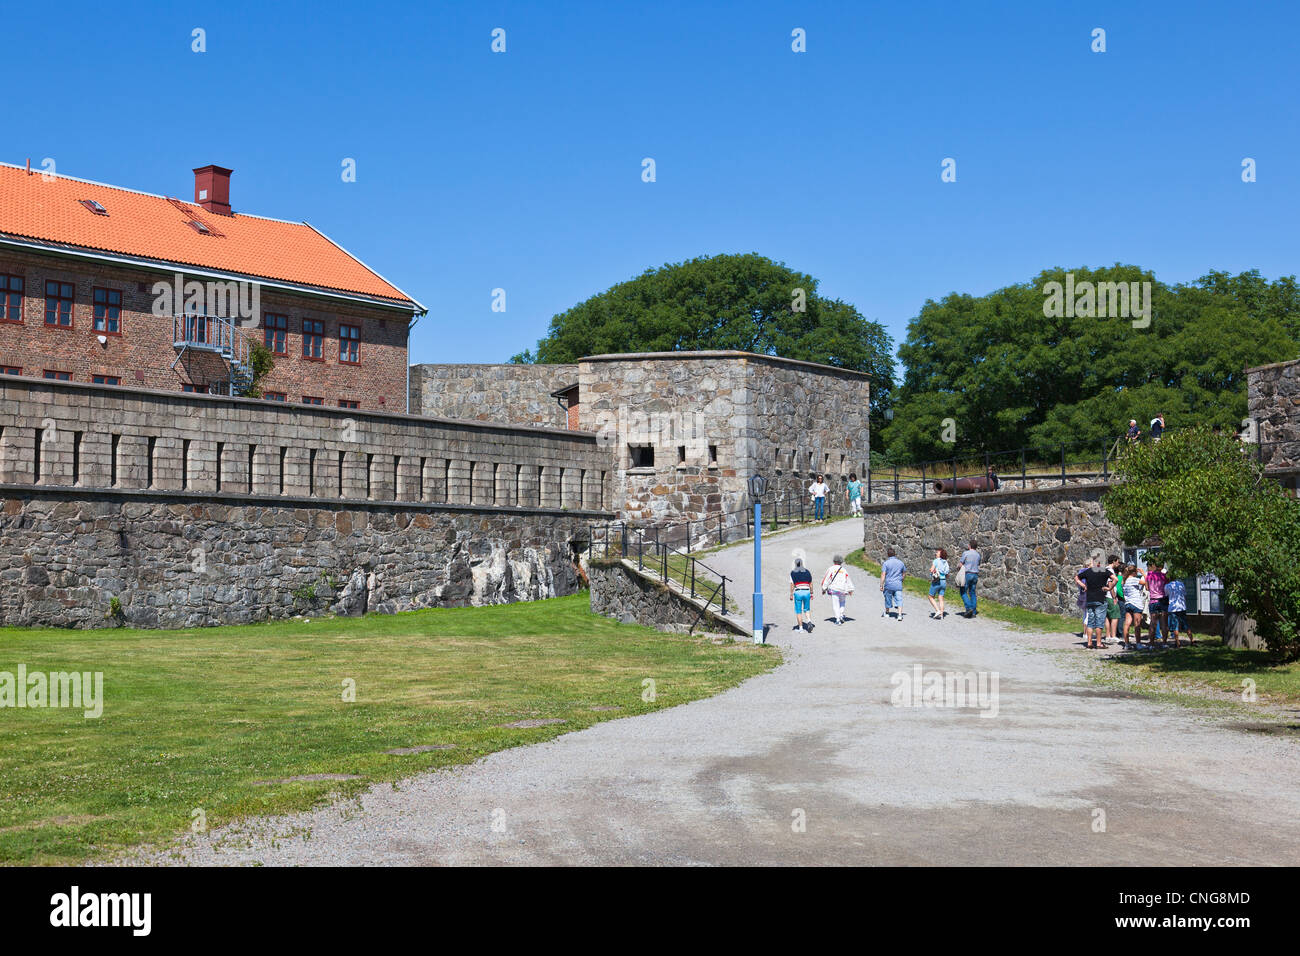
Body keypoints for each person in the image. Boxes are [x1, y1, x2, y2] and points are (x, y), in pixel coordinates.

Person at [1075, 556, 1116, 650]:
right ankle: (1098, 643)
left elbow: (1076, 578)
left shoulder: (1088, 571)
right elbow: (1115, 579)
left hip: (1089, 599)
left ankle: (1089, 643)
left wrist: (1084, 586)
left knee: (1090, 622)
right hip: (1100, 599)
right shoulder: (1104, 571)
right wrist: (1109, 588)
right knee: (1099, 622)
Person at [821, 555, 855, 625]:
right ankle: (841, 614)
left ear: (834, 561)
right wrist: (850, 589)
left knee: (835, 604)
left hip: (834, 589)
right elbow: (848, 579)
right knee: (842, 602)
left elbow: (826, 579)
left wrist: (824, 588)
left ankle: (837, 619)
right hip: (843, 589)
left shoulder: (831, 569)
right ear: (841, 562)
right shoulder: (844, 570)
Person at [1144, 559, 1169, 646]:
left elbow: (1147, 588)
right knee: (1164, 623)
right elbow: (1167, 587)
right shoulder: (1164, 576)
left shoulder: (1149, 575)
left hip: (1153, 600)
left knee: (1153, 623)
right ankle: (1164, 643)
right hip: (1162, 600)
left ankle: (1151, 644)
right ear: (1162, 567)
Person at [1120, 563, 1146, 647]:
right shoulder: (1134, 579)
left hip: (1128, 603)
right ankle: (1138, 644)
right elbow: (1145, 582)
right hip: (1136, 603)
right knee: (1137, 624)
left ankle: (1126, 643)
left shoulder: (1124, 581)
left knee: (1127, 624)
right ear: (1134, 573)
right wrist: (1143, 573)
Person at [789, 557, 815, 633]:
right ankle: (809, 621)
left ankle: (801, 628)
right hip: (807, 592)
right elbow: (811, 583)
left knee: (798, 611)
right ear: (802, 563)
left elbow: (792, 584)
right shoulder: (807, 572)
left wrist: (791, 594)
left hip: (798, 592)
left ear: (795, 564)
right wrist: (811, 592)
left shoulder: (793, 572)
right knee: (807, 609)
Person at [880, 547, 906, 620]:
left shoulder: (886, 563)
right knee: (899, 599)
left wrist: (881, 585)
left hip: (889, 584)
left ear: (888, 555)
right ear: (895, 554)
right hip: (898, 584)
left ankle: (887, 613)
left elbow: (883, 574)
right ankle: (900, 614)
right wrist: (902, 579)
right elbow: (904, 572)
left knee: (888, 598)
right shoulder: (901, 563)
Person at [958, 541, 981, 617]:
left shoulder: (966, 553)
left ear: (969, 546)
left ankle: (969, 608)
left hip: (967, 574)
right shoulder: (978, 555)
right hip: (975, 575)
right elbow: (978, 564)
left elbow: (960, 564)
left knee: (963, 591)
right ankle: (974, 612)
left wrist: (958, 567)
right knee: (972, 593)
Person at [1166, 573, 1190, 647]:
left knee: (1175, 626)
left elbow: (1166, 595)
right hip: (1182, 606)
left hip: (1172, 608)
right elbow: (1184, 593)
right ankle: (1192, 640)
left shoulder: (1167, 586)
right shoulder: (1181, 584)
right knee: (1186, 624)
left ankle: (1177, 642)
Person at [1105, 555, 1124, 644]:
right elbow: (1110, 584)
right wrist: (1114, 597)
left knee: (1108, 617)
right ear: (1113, 561)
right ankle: (1113, 636)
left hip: (1105, 596)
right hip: (1110, 596)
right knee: (1115, 616)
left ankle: (1108, 636)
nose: (1118, 563)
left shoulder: (1105, 569)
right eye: (1117, 561)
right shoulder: (1110, 571)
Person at [927, 548, 950, 618]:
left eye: (937, 552)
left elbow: (931, 569)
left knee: (930, 596)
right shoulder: (946, 562)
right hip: (943, 581)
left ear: (940, 554)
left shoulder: (936, 561)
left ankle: (938, 611)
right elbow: (947, 573)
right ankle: (942, 614)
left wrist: (931, 570)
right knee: (941, 598)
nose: (936, 553)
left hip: (937, 581)